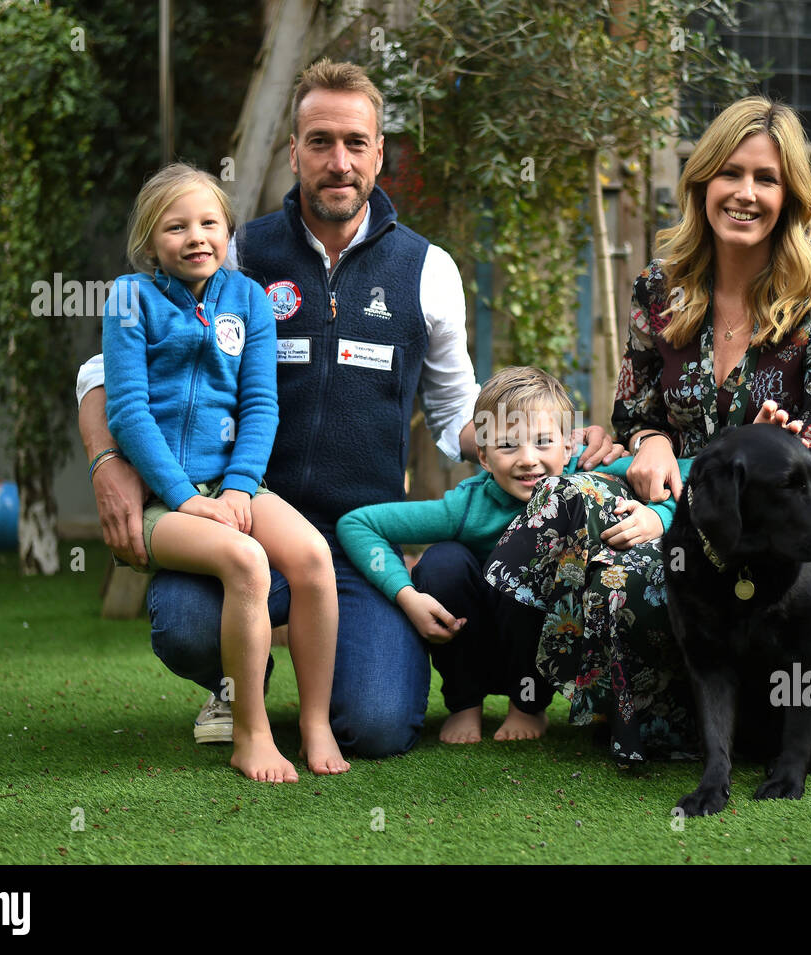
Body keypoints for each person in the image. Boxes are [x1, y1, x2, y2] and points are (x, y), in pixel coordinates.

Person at [76, 59, 619, 758]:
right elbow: (109, 368)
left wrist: (549, 444)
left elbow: (461, 413)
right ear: (295, 149)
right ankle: (238, 681)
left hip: (358, 540)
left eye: (355, 143)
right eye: (321, 141)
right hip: (249, 517)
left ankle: (328, 691)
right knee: (182, 620)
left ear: (379, 152)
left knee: (379, 727)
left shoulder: (428, 270)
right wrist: (105, 457)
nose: (339, 161)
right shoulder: (238, 252)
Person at [483, 95, 811, 764]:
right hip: (664, 507)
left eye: (766, 179)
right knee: (567, 494)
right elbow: (635, 416)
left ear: (791, 197)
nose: (745, 193)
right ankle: (515, 657)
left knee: (634, 564)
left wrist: (782, 447)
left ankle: (662, 725)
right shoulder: (657, 293)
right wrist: (652, 441)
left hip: (778, 545)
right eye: (731, 173)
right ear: (703, 182)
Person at [100, 162, 346, 782]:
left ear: (228, 231)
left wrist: (239, 485)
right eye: (175, 227)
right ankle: (251, 731)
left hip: (234, 482)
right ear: (149, 241)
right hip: (164, 499)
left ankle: (314, 722)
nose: (196, 237)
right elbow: (127, 411)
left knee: (314, 557)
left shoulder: (248, 299)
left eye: (209, 222)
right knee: (247, 562)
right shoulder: (130, 299)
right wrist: (183, 497)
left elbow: (261, 403)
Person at [337, 366, 690, 744]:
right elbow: (356, 525)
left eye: (542, 442)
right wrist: (405, 595)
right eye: (508, 446)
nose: (527, 459)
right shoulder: (469, 507)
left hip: (539, 643)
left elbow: (687, 474)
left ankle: (527, 705)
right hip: (474, 635)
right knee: (442, 563)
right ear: (484, 457)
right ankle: (464, 704)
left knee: (536, 569)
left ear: (569, 445)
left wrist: (659, 514)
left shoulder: (589, 473)